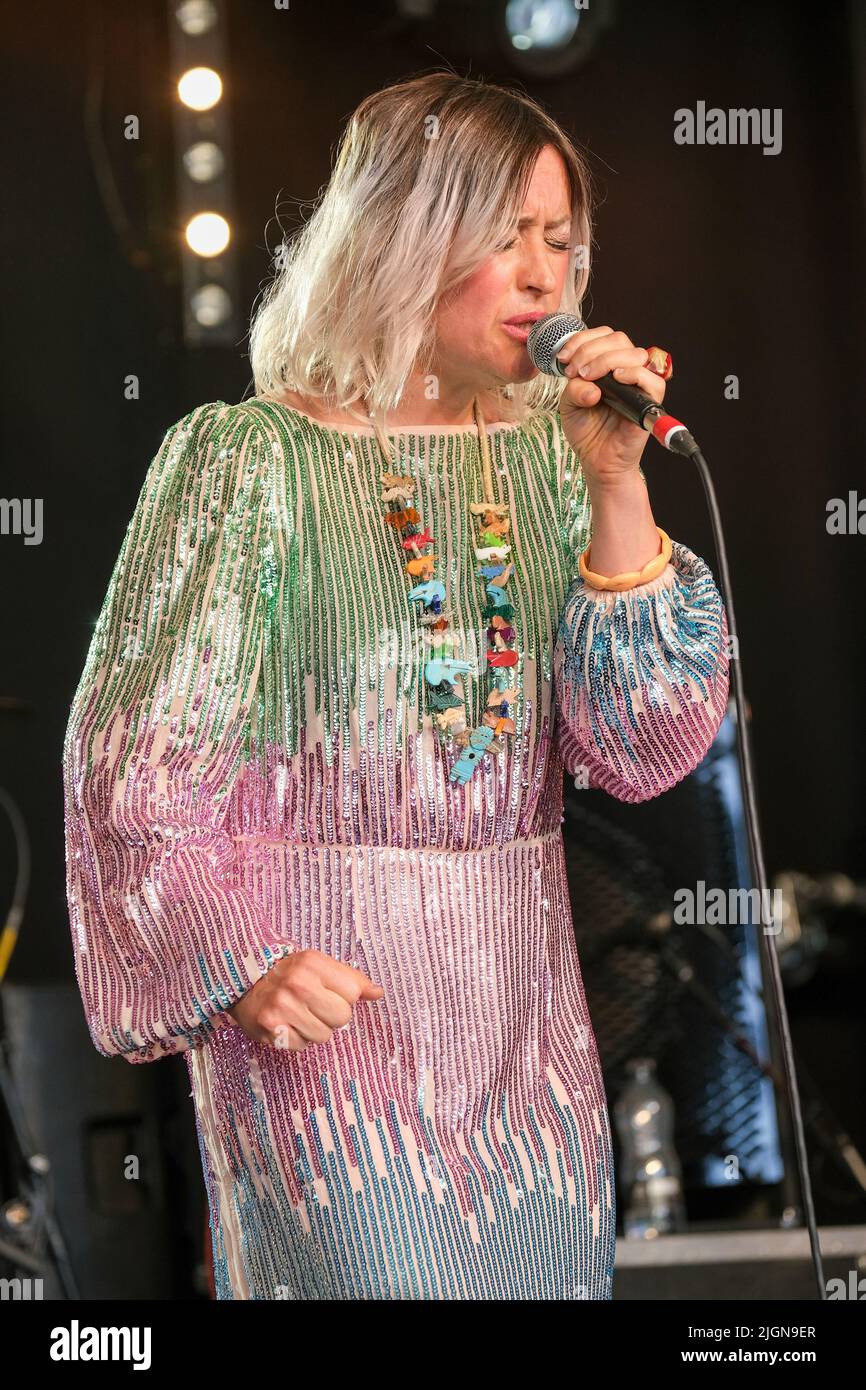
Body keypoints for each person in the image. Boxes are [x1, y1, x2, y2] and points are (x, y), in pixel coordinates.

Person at [62, 71, 730, 1300]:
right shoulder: (248, 463)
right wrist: (240, 963)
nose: (543, 277)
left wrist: (613, 483)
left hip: (526, 1036)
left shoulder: (550, 455)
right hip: (332, 1045)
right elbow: (129, 775)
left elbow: (643, 743)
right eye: (503, 235)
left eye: (559, 240)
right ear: (403, 234)